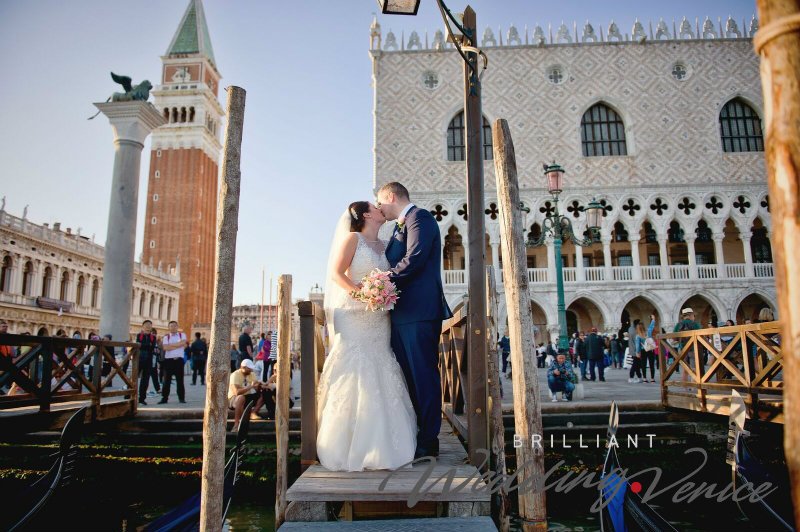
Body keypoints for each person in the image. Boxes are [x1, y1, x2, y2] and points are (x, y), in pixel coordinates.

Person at [315, 197, 419, 472]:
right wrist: (362, 294)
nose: (380, 208)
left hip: (378, 317)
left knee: (382, 367)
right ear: (365, 214)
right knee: (357, 368)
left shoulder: (384, 246)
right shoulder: (352, 239)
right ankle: (346, 445)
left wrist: (380, 296)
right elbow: (337, 274)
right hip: (353, 315)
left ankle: (385, 444)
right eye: (375, 206)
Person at [379, 182, 453, 460]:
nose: (379, 208)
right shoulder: (400, 226)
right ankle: (417, 431)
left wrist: (381, 282)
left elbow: (416, 258)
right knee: (408, 376)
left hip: (420, 312)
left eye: (380, 203)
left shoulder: (419, 217)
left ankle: (429, 439)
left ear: (391, 197)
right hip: (401, 313)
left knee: (423, 375)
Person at [228, 359, 264, 431]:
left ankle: (253, 413)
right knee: (241, 398)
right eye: (249, 368)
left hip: (247, 395)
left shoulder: (251, 374)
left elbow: (256, 385)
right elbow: (236, 392)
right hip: (234, 398)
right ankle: (236, 423)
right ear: (242, 367)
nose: (251, 370)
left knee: (264, 394)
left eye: (251, 368)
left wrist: (261, 385)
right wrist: (250, 386)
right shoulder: (235, 375)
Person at [159, 321, 188, 404]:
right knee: (166, 381)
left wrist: (171, 345)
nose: (173, 327)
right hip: (168, 361)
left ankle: (181, 398)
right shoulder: (166, 337)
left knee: (180, 380)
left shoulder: (182, 335)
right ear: (169, 327)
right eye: (171, 326)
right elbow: (165, 348)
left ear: (177, 327)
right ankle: (164, 398)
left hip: (179, 360)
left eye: (175, 326)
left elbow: (183, 343)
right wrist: (179, 345)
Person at [136, 320, 158, 405]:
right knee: (134, 379)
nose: (148, 327)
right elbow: (139, 345)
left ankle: (142, 399)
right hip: (139, 360)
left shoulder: (153, 337)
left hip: (148, 360)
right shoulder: (139, 335)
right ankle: (129, 394)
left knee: (145, 381)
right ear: (142, 326)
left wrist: (144, 345)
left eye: (150, 325)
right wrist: (147, 345)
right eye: (146, 325)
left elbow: (151, 347)